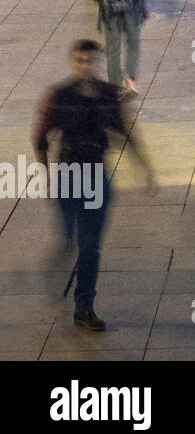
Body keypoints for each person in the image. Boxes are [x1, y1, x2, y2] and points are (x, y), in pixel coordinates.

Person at [33, 40, 156, 332]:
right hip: (68, 173)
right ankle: (63, 257)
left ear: (97, 63)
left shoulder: (109, 95)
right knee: (68, 236)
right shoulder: (57, 96)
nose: (85, 66)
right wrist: (47, 174)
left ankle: (84, 306)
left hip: (97, 175)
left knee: (89, 245)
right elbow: (40, 138)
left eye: (89, 61)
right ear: (72, 63)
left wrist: (145, 167)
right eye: (79, 61)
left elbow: (126, 131)